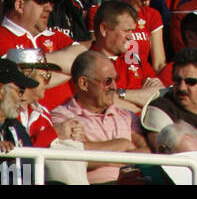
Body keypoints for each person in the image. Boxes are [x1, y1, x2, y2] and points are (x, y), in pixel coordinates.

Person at [51, 50, 148, 183]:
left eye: (116, 79)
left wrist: (96, 152)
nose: (114, 86)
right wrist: (123, 144)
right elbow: (76, 157)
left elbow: (147, 151)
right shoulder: (62, 117)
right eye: (108, 81)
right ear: (84, 83)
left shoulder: (128, 116)